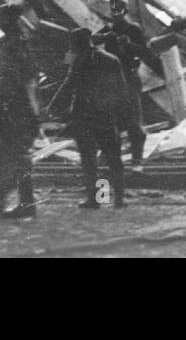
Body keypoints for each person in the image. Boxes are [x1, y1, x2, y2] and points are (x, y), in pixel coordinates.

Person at [47, 27, 126, 209]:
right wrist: (120, 115)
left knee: (89, 160)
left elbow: (69, 85)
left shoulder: (81, 60)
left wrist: (53, 105)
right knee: (114, 158)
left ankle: (96, 199)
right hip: (106, 115)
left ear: (77, 43)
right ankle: (119, 199)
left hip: (85, 116)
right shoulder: (112, 59)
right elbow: (121, 90)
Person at [0, 3, 40, 219]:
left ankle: (25, 203)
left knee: (15, 156)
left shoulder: (14, 47)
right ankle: (4, 200)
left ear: (9, 21)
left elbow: (14, 84)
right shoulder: (17, 44)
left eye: (2, 18)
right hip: (18, 108)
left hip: (13, 110)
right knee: (7, 156)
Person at [96, 0, 155, 167]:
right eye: (113, 9)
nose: (116, 14)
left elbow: (147, 54)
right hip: (110, 80)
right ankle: (109, 158)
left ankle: (137, 160)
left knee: (134, 122)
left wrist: (129, 45)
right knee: (109, 120)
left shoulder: (133, 29)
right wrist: (101, 38)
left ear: (125, 11)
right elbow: (90, 41)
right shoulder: (108, 29)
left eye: (119, 9)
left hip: (129, 78)